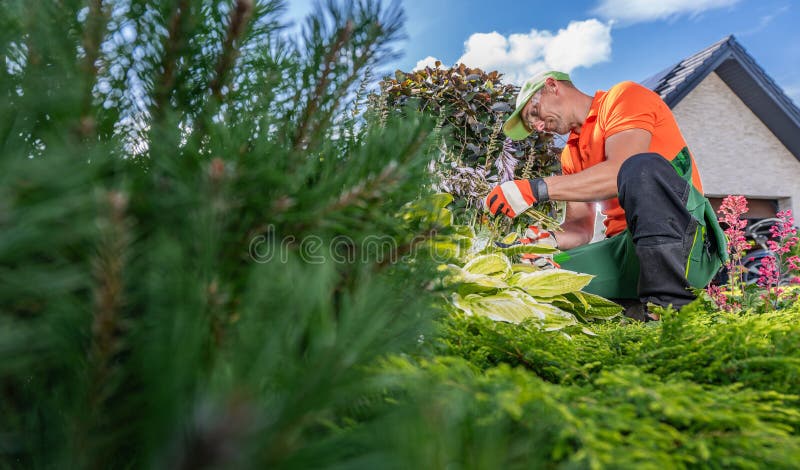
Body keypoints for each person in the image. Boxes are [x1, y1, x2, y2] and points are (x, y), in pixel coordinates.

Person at [485, 71, 727, 320]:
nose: (537, 126)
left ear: (552, 86)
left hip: (684, 242)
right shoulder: (571, 155)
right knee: (532, 271)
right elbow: (580, 229)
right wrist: (548, 240)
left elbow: (621, 170)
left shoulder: (623, 97)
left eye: (534, 113)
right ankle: (630, 305)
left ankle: (668, 310)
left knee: (641, 167)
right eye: (530, 126)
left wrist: (534, 190)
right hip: (624, 252)